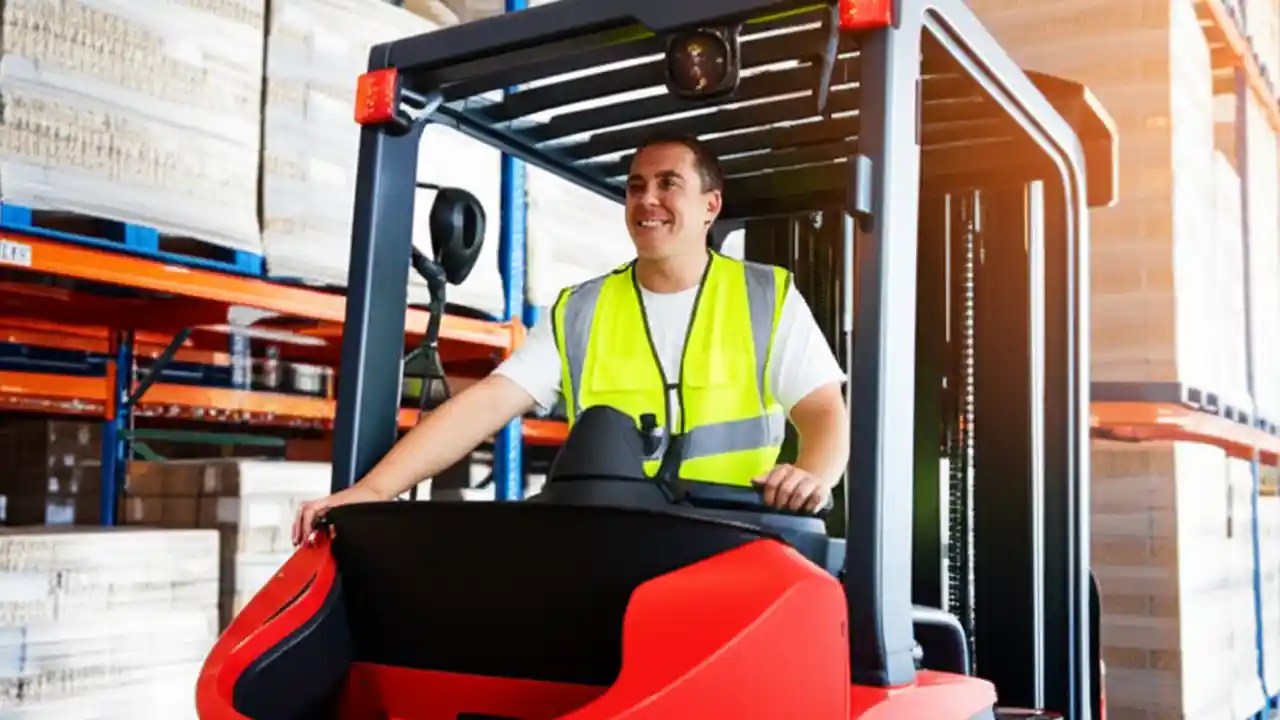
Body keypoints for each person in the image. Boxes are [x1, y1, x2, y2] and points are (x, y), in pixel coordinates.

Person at [291, 131, 848, 547]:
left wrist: (811, 478)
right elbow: (487, 403)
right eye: (636, 187)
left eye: (668, 184)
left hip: (733, 544)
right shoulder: (582, 309)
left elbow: (823, 409)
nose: (646, 199)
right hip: (613, 546)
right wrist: (373, 491)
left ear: (710, 206)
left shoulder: (763, 296)